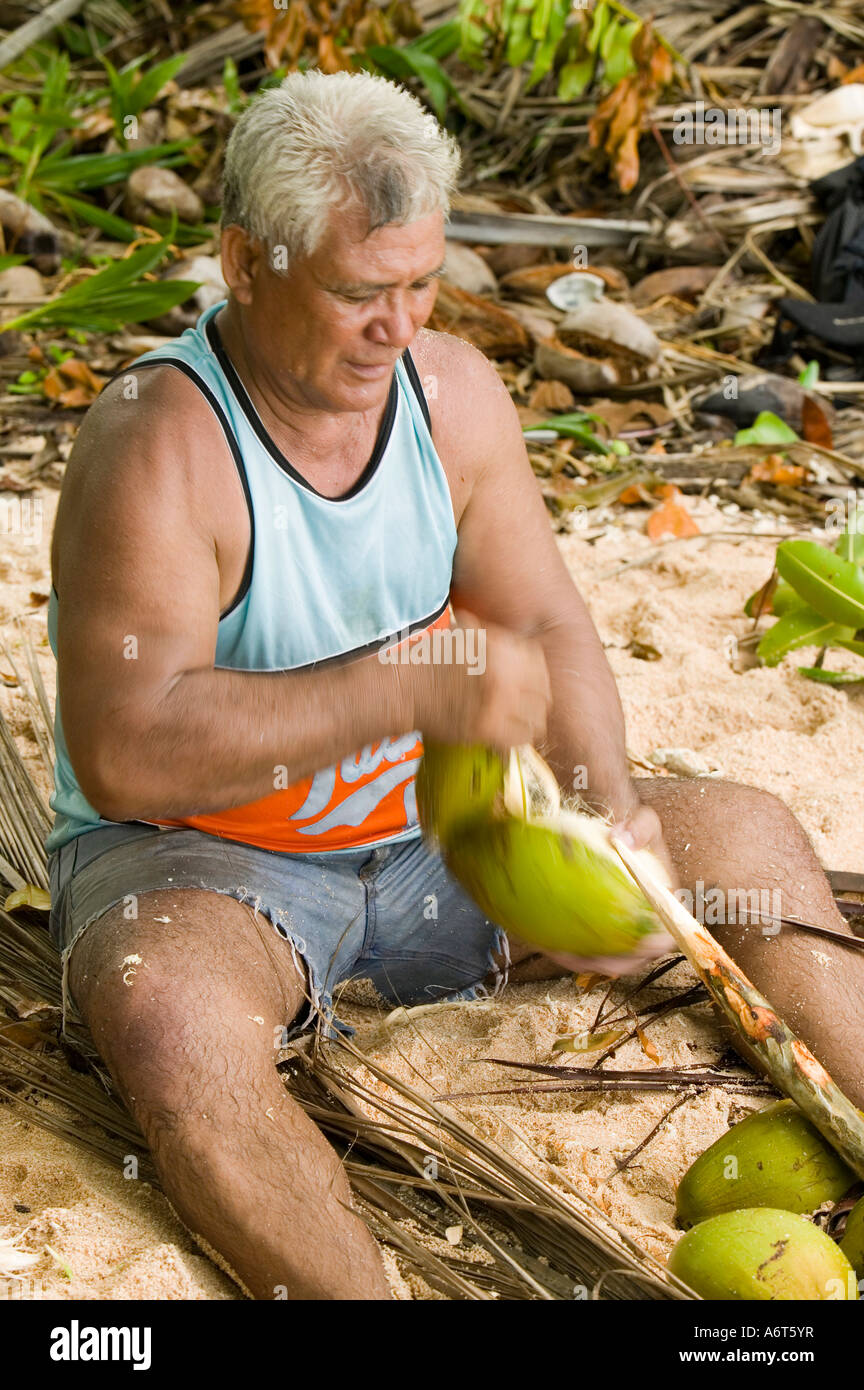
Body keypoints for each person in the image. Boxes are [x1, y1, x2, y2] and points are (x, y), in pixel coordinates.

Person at [46, 69, 864, 1301]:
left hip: (445, 844)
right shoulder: (157, 442)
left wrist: (603, 811)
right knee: (168, 1014)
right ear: (244, 263)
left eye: (422, 283)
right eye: (359, 290)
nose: (399, 325)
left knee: (744, 831)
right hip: (203, 865)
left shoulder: (452, 394)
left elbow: (544, 616)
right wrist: (415, 684)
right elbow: (130, 750)